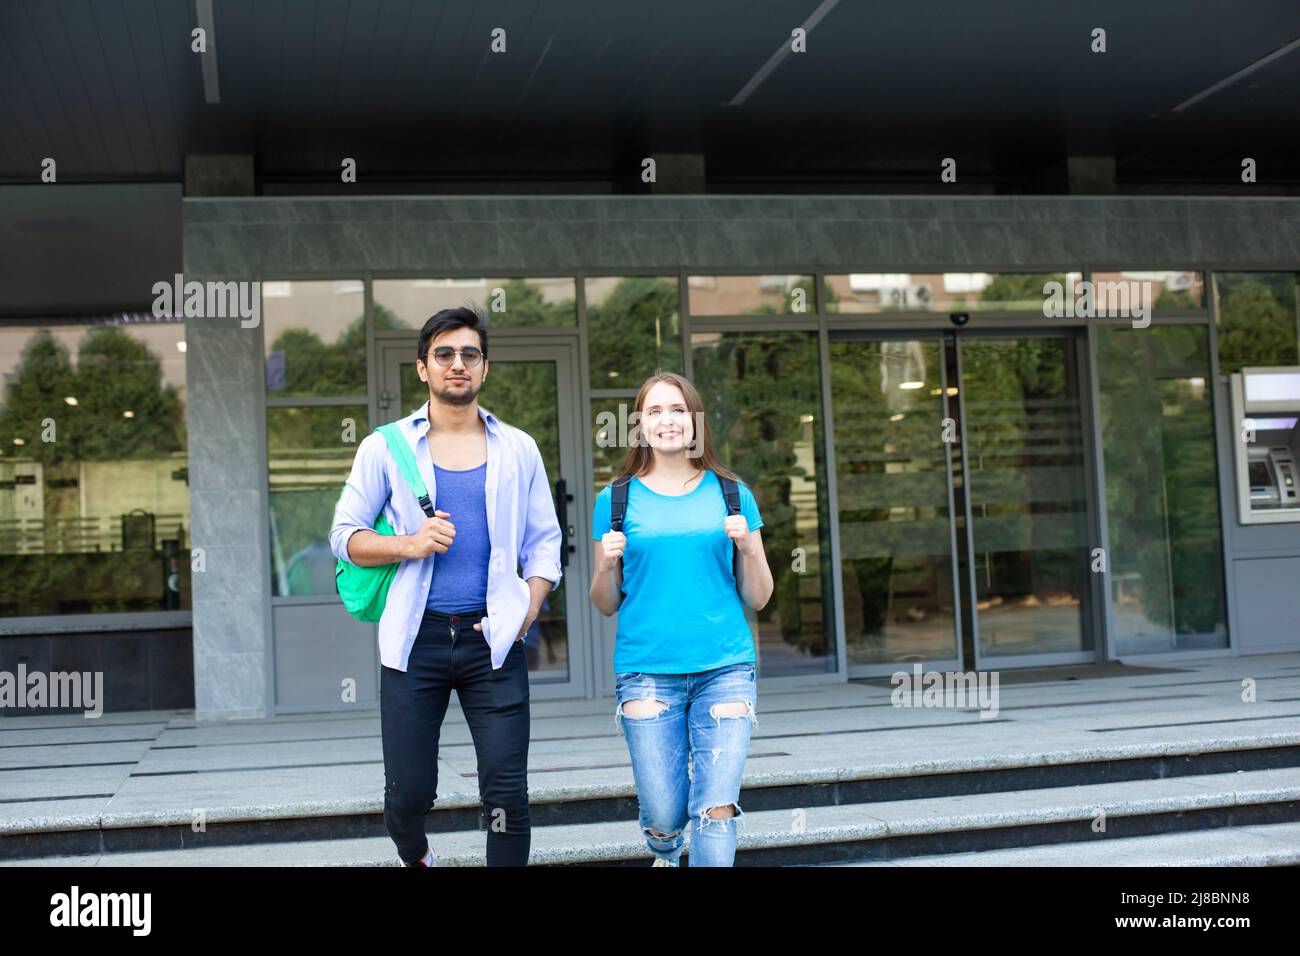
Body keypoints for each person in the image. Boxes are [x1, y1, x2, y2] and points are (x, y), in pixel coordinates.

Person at [329, 305, 562, 867]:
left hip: (493, 640)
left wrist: (525, 613)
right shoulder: (385, 448)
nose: (458, 364)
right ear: (422, 369)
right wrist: (409, 543)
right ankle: (415, 852)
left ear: (484, 369)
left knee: (507, 795)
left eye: (469, 355)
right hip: (415, 642)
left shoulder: (519, 448)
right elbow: (344, 537)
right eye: (444, 355)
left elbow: (545, 545)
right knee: (409, 794)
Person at [589, 372, 774, 866]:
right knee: (665, 812)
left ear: (695, 421)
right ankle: (666, 853)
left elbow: (758, 597)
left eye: (677, 410)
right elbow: (604, 601)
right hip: (647, 671)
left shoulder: (732, 493)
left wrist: (751, 546)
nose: (667, 420)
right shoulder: (616, 500)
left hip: (725, 668)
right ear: (640, 424)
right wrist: (607, 564)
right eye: (654, 411)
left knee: (716, 811)